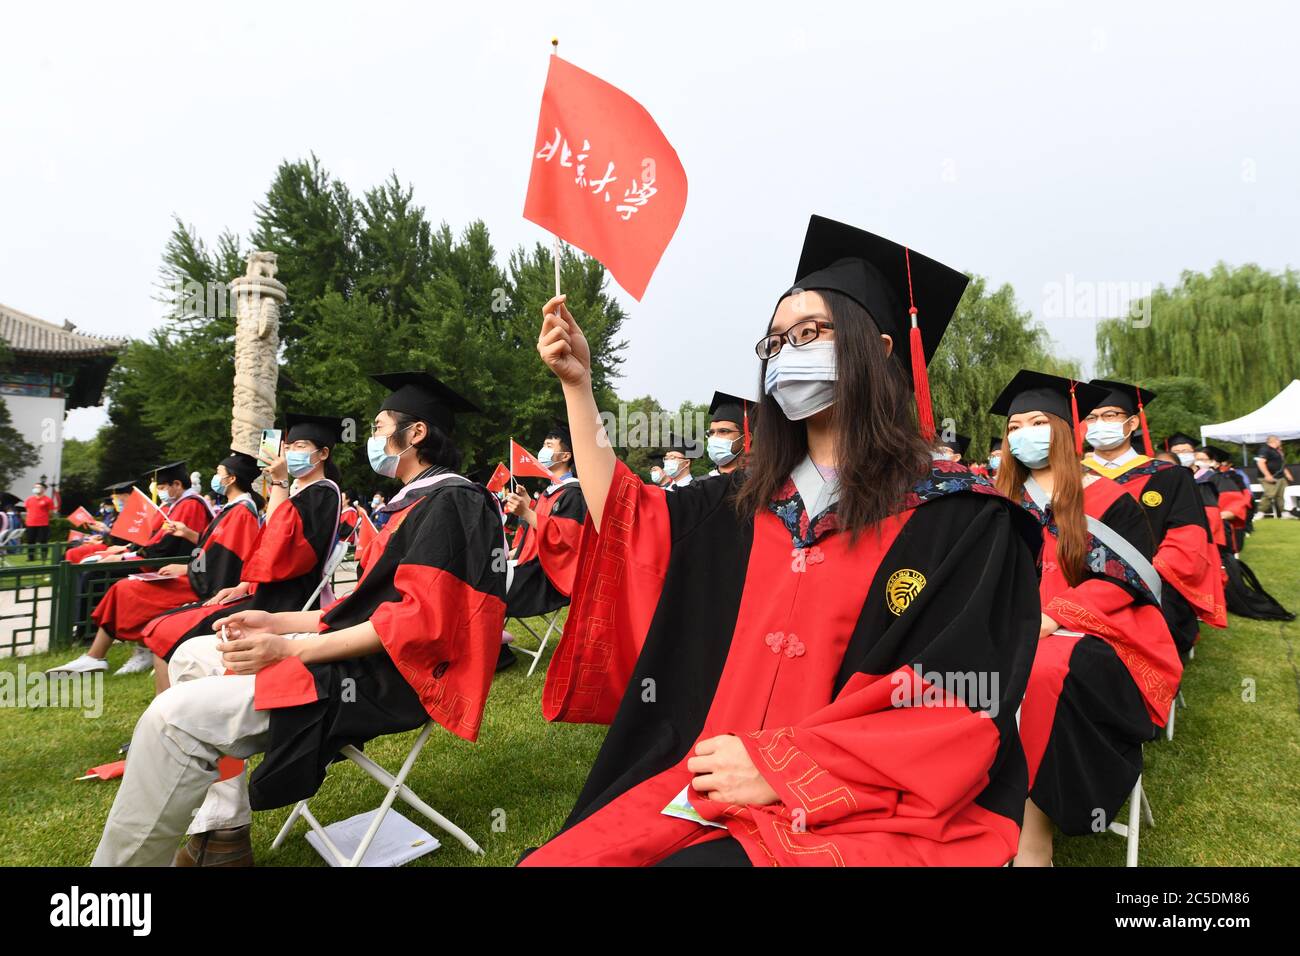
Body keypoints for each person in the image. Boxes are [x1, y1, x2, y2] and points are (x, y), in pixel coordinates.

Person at [523, 215, 1040, 867]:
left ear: (878, 347)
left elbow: (957, 701)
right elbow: (628, 520)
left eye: (810, 333)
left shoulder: (960, 518)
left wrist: (782, 767)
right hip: (707, 776)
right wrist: (579, 386)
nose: (789, 350)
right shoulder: (745, 500)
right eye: (775, 342)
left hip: (862, 806)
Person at [91, 371, 508, 867]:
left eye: (378, 427)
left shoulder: (452, 502)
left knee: (169, 718)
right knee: (193, 655)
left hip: (395, 678)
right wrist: (276, 623)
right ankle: (222, 836)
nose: (372, 438)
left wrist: (288, 648)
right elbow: (365, 610)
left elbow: (415, 625)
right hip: (367, 657)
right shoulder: (415, 503)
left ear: (415, 434)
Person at [991, 371, 1182, 867]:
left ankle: (1033, 838)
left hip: (1098, 634)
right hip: (1010, 630)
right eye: (1013, 427)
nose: (1023, 434)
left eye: (1037, 421)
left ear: (1062, 428)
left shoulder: (1108, 500)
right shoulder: (996, 502)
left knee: (1040, 671)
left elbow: (1127, 582)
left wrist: (1051, 618)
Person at [138, 416, 344, 666]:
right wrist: (244, 585)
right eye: (287, 447)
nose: (289, 453)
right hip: (264, 591)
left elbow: (278, 545)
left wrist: (279, 482)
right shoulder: (302, 492)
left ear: (322, 453)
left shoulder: (322, 493)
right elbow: (268, 547)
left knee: (168, 630)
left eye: (299, 446)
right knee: (164, 624)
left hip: (284, 600)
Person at [1082, 379, 1226, 653]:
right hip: (1079, 584)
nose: (1099, 423)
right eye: (1091, 417)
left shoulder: (1170, 476)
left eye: (1110, 415)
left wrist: (1139, 579)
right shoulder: (1070, 477)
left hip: (1153, 586)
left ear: (1133, 423)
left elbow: (1188, 540)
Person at [48, 462, 214, 676]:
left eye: (162, 486)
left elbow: (171, 546)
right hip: (171, 563)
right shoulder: (175, 505)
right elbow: (155, 538)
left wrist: (130, 556)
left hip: (183, 569)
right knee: (100, 573)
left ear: (177, 484)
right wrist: (129, 551)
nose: (159, 491)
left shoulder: (191, 504)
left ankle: (96, 643)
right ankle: (92, 646)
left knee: (113, 581)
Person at [502, 423, 588, 671]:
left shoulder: (574, 493)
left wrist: (527, 511)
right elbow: (536, 531)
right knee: (487, 574)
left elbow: (565, 539)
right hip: (533, 567)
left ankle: (497, 650)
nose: (543, 450)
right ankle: (496, 645)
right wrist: (530, 504)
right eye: (543, 445)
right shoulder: (551, 493)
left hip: (549, 577)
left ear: (565, 456)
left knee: (488, 585)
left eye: (549, 445)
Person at [1201, 445, 1252, 553]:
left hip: (1221, 524)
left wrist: (1231, 512)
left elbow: (1244, 496)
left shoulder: (1230, 477)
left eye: (1203, 459)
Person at [704, 390, 754, 477]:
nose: (714, 438)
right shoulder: (698, 485)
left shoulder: (762, 482)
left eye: (723, 431)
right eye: (711, 433)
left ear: (746, 438)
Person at [1254, 435, 1293, 518]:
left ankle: (1285, 513)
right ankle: (1260, 512)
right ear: (1274, 441)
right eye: (1279, 440)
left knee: (1283, 495)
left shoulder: (1277, 451)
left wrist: (1287, 473)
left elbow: (1281, 464)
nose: (1280, 442)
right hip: (1269, 477)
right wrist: (1267, 475)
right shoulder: (1265, 449)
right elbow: (1260, 463)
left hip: (1280, 477)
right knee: (1270, 494)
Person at [22, 481, 54, 561]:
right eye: (35, 487)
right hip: (30, 523)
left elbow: (51, 513)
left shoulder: (48, 500)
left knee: (43, 541)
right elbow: (28, 510)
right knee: (30, 541)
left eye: (38, 487)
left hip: (43, 524)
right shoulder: (29, 499)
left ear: (44, 489)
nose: (36, 489)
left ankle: (44, 557)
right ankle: (31, 557)